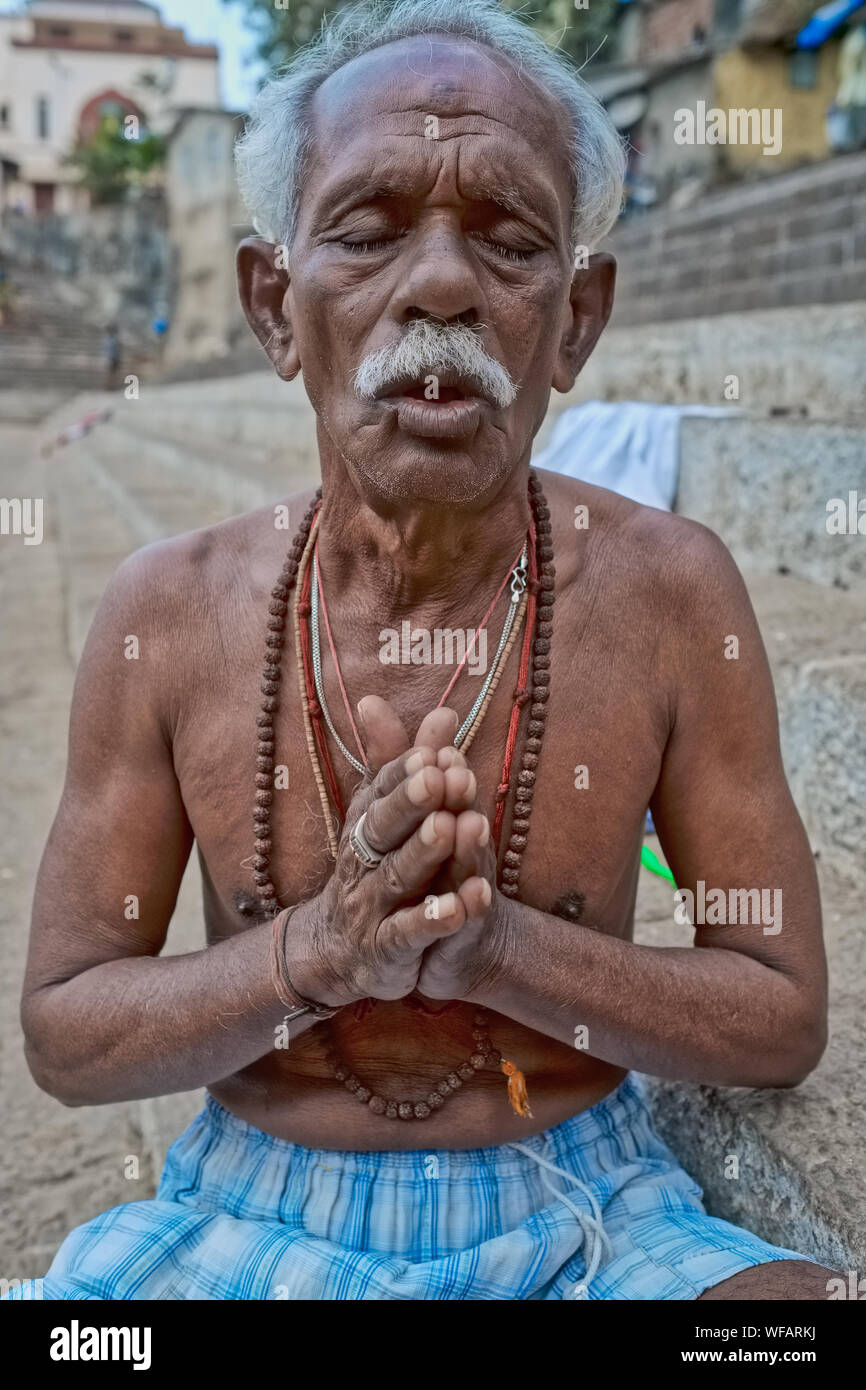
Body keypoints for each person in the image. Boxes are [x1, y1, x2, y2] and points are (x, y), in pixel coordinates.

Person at [9, 0, 833, 1301]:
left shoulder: (674, 592)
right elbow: (68, 1027)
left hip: (592, 1203)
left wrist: (494, 949)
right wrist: (321, 953)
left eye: (508, 240)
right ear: (274, 308)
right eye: (369, 230)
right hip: (247, 1205)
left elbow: (778, 1012)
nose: (441, 285)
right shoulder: (162, 611)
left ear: (575, 319)